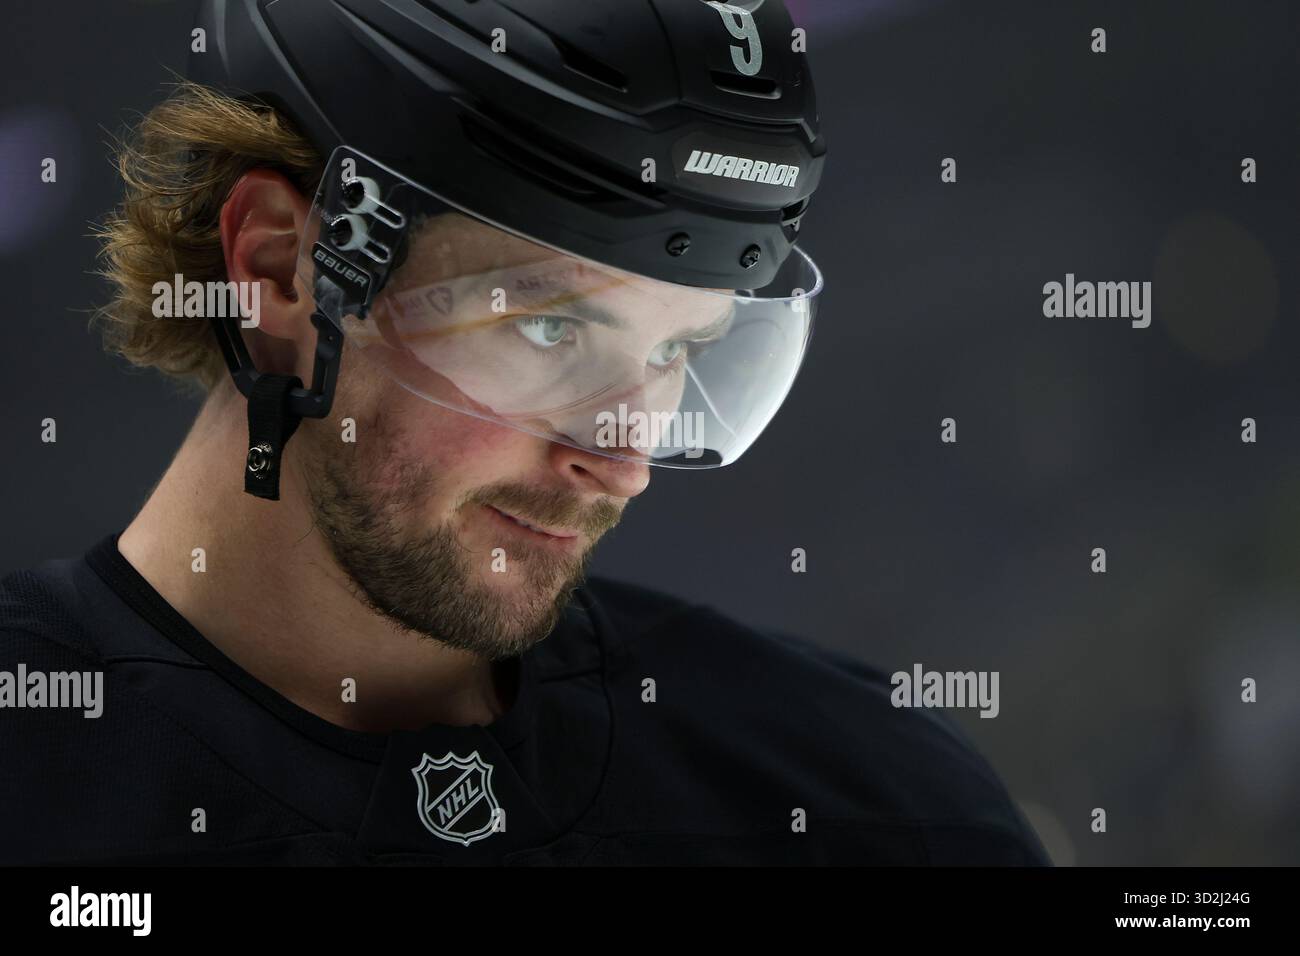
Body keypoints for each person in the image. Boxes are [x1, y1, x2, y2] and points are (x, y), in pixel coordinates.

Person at [0, 0, 1048, 864]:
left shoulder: (868, 797)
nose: (624, 458)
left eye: (681, 349)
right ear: (281, 270)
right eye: (548, 325)